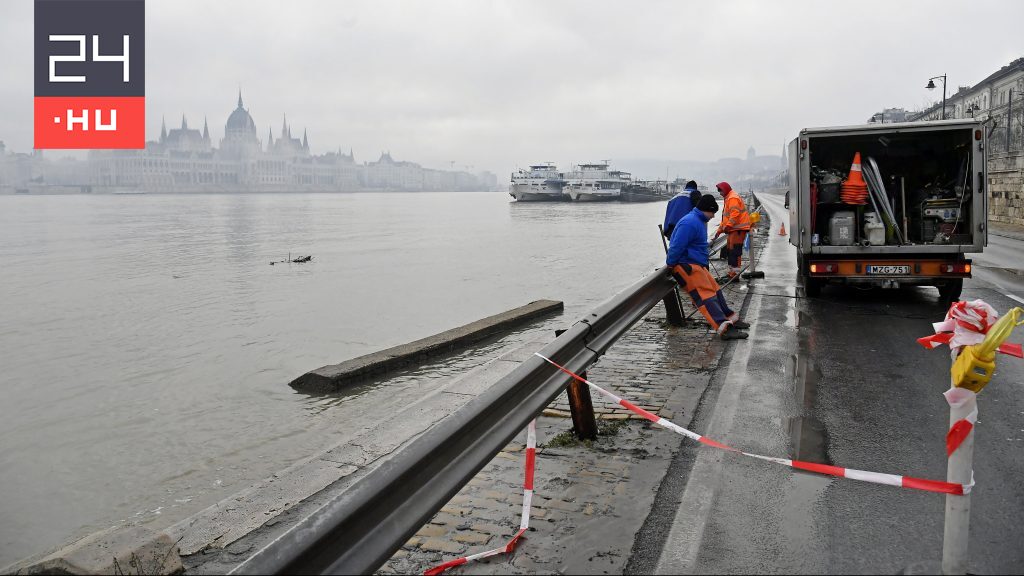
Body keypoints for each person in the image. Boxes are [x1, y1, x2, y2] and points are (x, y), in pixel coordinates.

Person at [667, 194, 750, 340]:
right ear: (706, 209)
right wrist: (671, 263)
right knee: (706, 298)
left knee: (716, 292)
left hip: (696, 264)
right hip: (687, 265)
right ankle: (724, 328)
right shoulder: (689, 223)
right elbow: (676, 246)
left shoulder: (698, 220)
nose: (713, 217)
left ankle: (730, 319)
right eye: (712, 213)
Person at [712, 181, 752, 279]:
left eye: (720, 191)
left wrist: (728, 226)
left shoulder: (732, 198)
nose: (720, 194)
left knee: (735, 251)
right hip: (734, 229)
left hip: (738, 229)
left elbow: (735, 214)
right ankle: (732, 273)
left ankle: (735, 275)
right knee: (731, 251)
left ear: (725, 190)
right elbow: (725, 219)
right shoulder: (729, 198)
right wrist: (719, 231)